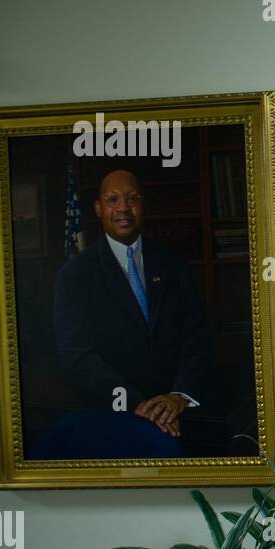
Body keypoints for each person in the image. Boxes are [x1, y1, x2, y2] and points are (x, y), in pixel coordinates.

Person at [51, 168, 211, 449]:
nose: (123, 207)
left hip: (180, 414)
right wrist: (134, 402)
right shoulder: (74, 273)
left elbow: (197, 338)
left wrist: (179, 396)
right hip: (109, 418)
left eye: (132, 198)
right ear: (98, 209)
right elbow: (76, 355)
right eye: (112, 199)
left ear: (142, 205)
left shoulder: (172, 264)